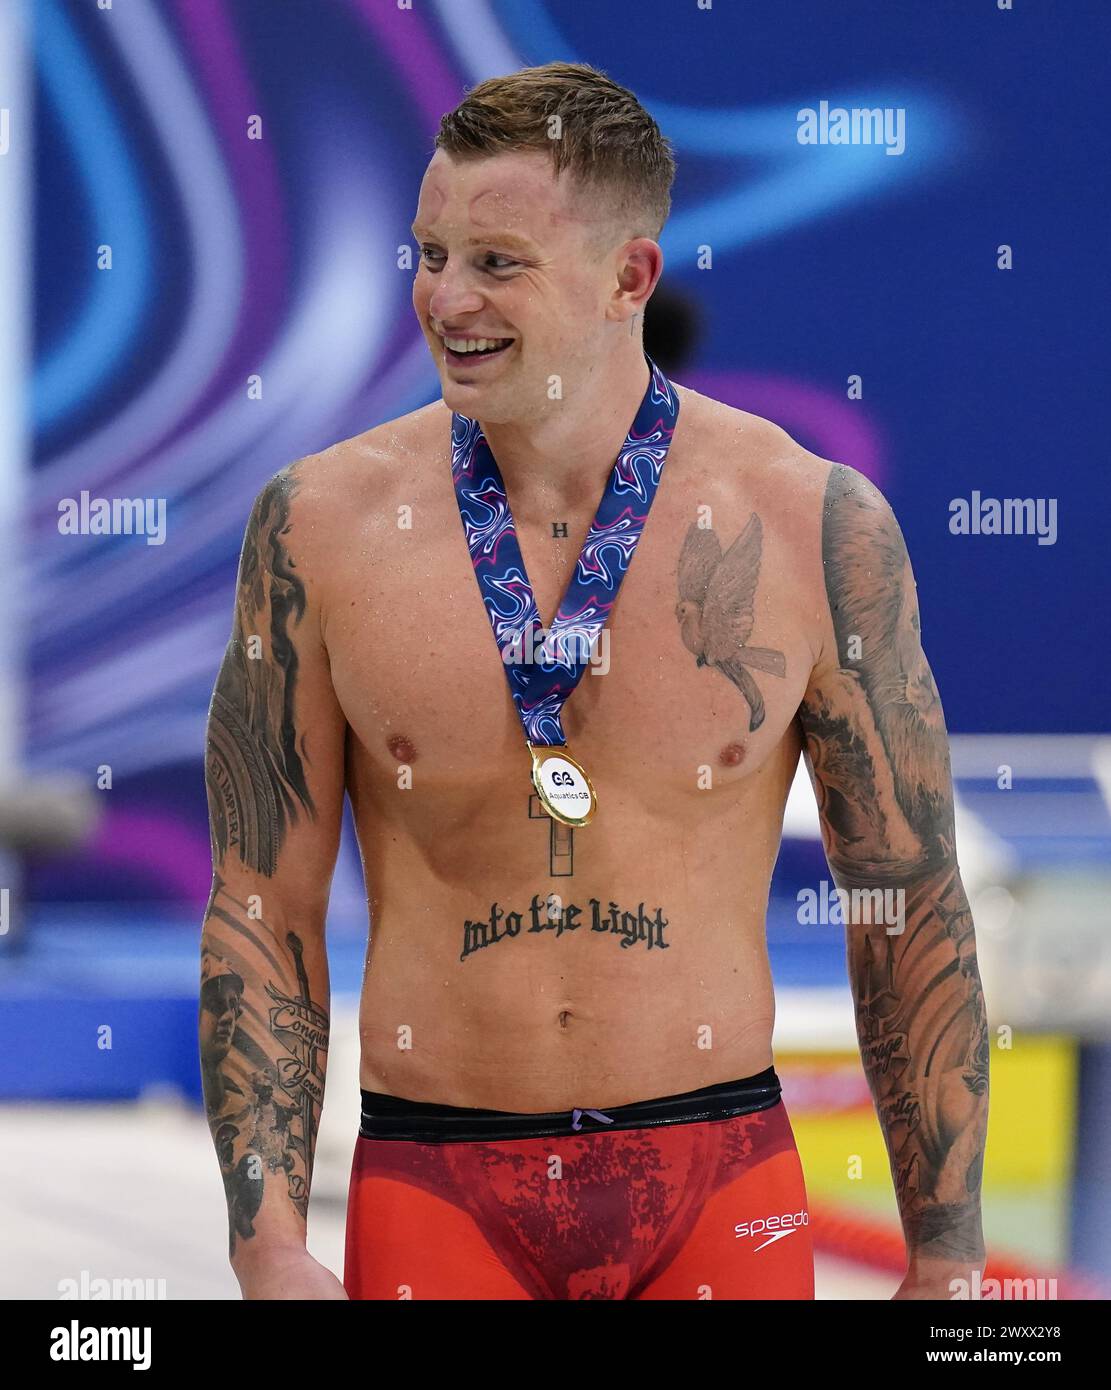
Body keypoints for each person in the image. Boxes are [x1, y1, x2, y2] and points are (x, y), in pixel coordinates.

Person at [199, 62, 988, 1301]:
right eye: (428, 251)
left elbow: (905, 896)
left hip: (719, 1181)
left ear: (630, 277)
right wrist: (268, 1243)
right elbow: (262, 903)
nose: (444, 297)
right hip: (437, 1185)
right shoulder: (316, 529)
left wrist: (944, 1260)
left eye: (496, 262)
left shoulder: (809, 524)